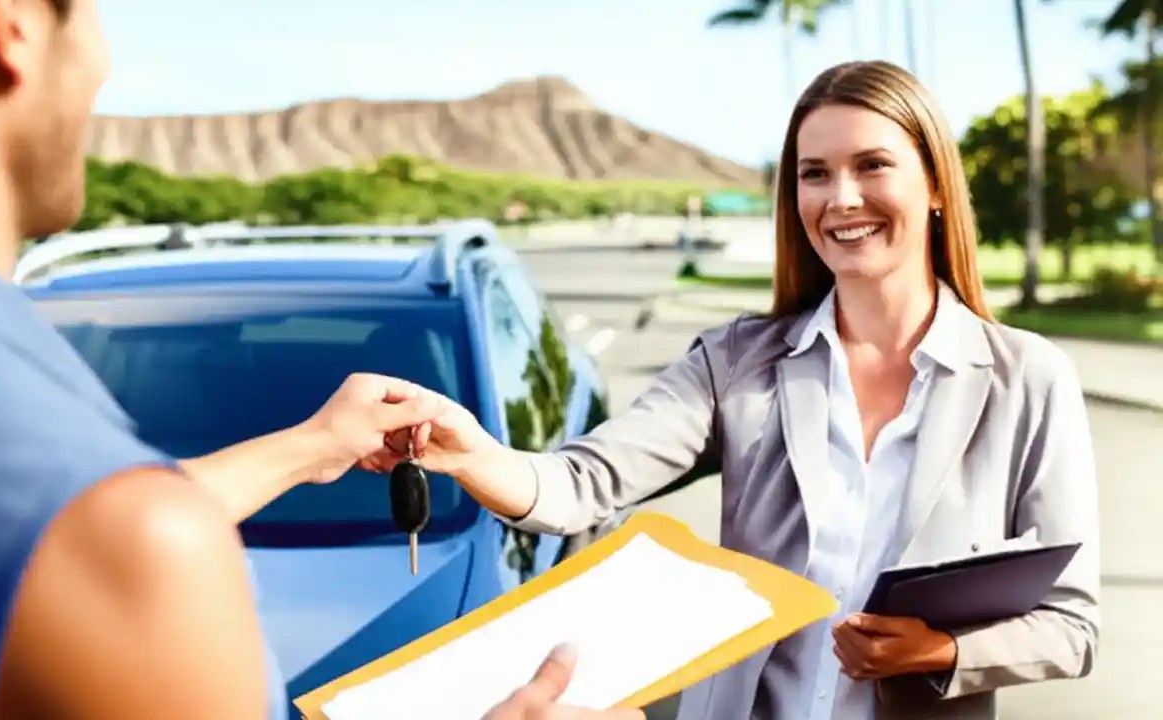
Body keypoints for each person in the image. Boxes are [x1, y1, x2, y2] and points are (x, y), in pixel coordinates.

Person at [0, 2, 645, 719]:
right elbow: (85, 524)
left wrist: (309, 448)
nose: (103, 60)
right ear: (9, 22)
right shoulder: (122, 542)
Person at [371, 60, 1101, 720]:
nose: (841, 199)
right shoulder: (736, 364)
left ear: (936, 184)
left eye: (872, 165)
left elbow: (1071, 626)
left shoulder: (1025, 379)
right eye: (814, 174)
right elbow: (582, 482)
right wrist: (470, 452)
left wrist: (938, 653)